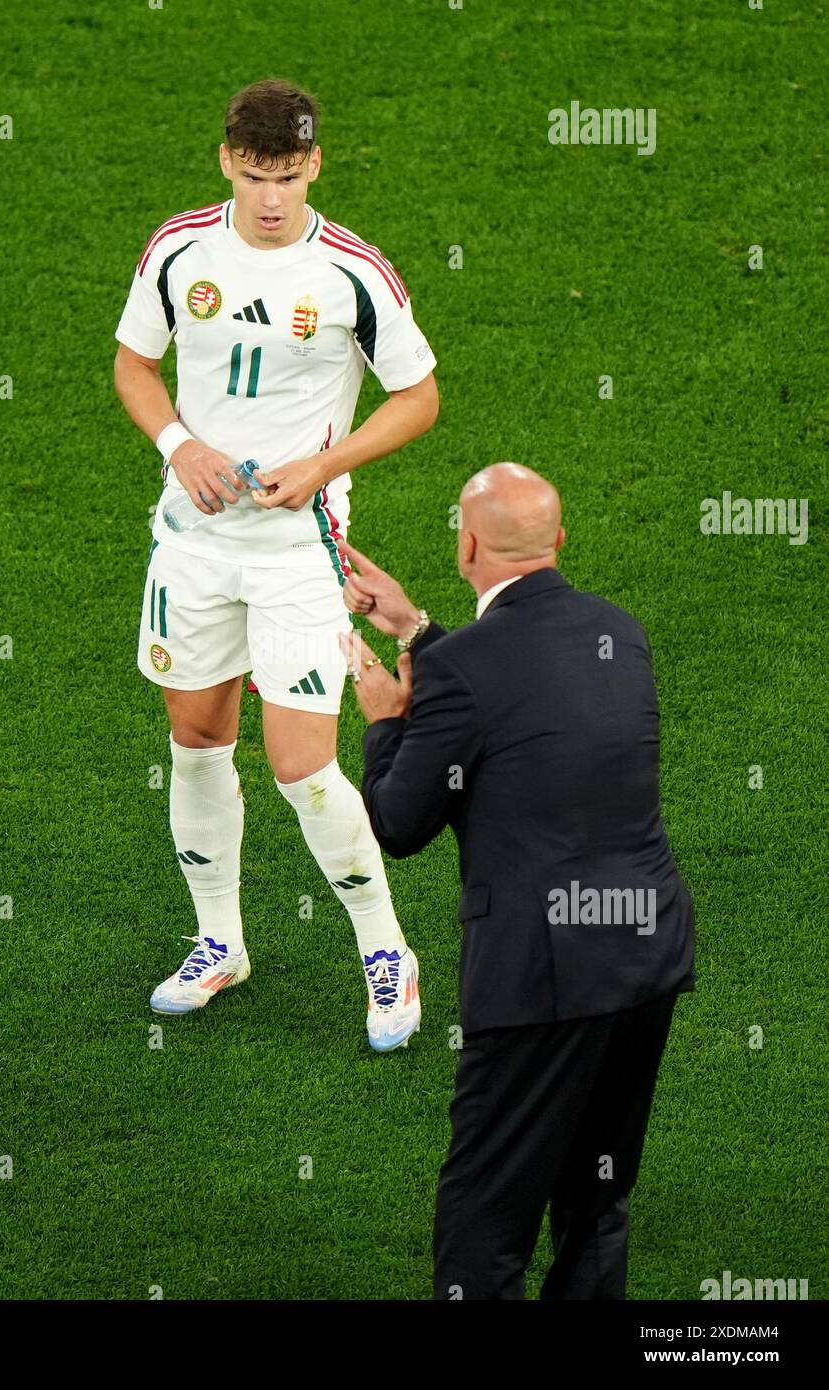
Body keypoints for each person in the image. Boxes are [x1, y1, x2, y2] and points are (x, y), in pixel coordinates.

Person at [113, 78, 439, 1050]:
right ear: (226, 161)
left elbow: (416, 396)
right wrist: (181, 444)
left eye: (288, 177)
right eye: (255, 175)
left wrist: (325, 464)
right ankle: (219, 942)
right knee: (197, 739)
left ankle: (386, 952)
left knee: (302, 765)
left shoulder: (352, 274)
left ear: (314, 166)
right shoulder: (180, 248)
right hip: (195, 540)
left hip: (300, 548)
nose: (270, 197)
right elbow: (133, 363)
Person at [337, 461, 696, 1297]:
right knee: (596, 1200)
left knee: (484, 1215)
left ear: (465, 547)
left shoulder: (463, 668)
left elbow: (398, 823)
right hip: (644, 953)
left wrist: (388, 719)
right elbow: (522, 690)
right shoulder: (620, 631)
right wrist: (416, 632)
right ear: (558, 541)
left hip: (540, 976)